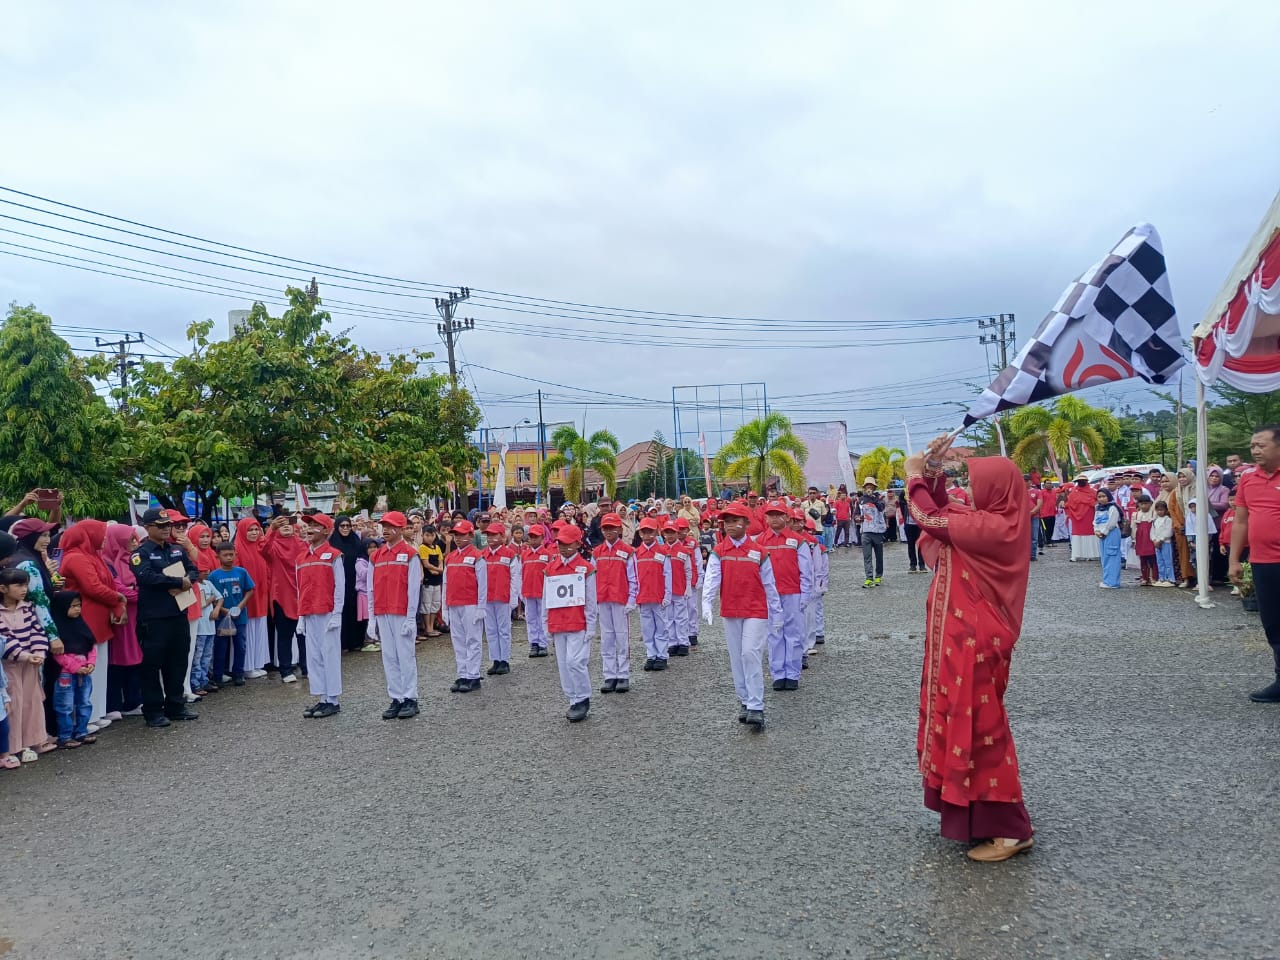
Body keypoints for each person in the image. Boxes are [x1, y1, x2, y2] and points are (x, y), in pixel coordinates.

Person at [904, 439, 1034, 862]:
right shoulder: (992, 517)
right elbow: (944, 509)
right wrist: (934, 470)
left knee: (983, 728)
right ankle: (974, 815)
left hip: (977, 643)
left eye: (978, 485)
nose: (971, 492)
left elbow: (929, 516)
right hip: (961, 641)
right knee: (962, 721)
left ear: (998, 490)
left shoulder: (997, 527)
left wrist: (912, 477)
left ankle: (1010, 828)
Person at [700, 501, 782, 731]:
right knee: (736, 657)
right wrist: (706, 603)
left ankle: (757, 705)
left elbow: (770, 585)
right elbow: (712, 579)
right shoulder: (719, 551)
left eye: (736, 521)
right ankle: (745, 701)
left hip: (756, 610)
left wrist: (777, 614)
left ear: (746, 523)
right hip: (731, 610)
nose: (731, 526)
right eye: (727, 522)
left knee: (750, 653)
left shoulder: (759, 552)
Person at [132, 508, 199, 729]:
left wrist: (187, 580)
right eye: (160, 526)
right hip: (154, 617)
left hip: (178, 613)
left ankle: (175, 705)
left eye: (167, 525)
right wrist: (177, 583)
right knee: (152, 665)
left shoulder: (176, 549)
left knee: (178, 662)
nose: (166, 529)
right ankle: (153, 710)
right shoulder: (141, 552)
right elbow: (146, 577)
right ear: (148, 527)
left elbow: (193, 571)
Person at [57, 518, 126, 730]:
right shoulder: (76, 557)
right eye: (101, 535)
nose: (104, 539)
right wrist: (118, 599)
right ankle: (86, 717)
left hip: (98, 615)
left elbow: (107, 583)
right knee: (87, 667)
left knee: (99, 665)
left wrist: (116, 604)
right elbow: (93, 587)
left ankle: (97, 711)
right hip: (86, 617)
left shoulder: (92, 555)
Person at [1228, 425, 1280, 702]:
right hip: (1263, 562)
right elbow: (1240, 521)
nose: (1256, 450)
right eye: (1253, 446)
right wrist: (1235, 559)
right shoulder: (1248, 479)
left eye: (1262, 445)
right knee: (1273, 623)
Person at [367, 511, 423, 719]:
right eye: (384, 526)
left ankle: (410, 697)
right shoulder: (376, 556)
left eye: (391, 527)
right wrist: (372, 618)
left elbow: (413, 590)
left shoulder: (410, 554)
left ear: (400, 529)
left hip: (401, 611)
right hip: (383, 611)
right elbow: (371, 588)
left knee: (405, 655)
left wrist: (410, 617)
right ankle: (396, 697)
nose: (386, 530)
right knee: (389, 656)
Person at [0, 567, 58, 760]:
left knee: (32, 701)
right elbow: (4, 639)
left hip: (31, 663)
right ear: (3, 588)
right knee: (13, 703)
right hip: (10, 665)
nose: (24, 589)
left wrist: (39, 651)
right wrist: (24, 655)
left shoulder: (28, 607)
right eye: (18, 585)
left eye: (25, 584)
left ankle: (34, 740)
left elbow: (37, 631)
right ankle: (13, 746)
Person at [544, 524, 598, 722]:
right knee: (563, 664)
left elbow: (591, 599)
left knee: (575, 661)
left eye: (568, 543)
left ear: (577, 543)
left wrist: (591, 625)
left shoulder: (586, 568)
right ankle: (573, 698)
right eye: (560, 543)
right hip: (558, 622)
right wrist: (545, 624)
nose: (564, 547)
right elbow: (546, 598)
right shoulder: (551, 568)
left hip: (578, 621)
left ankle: (583, 697)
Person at [756, 501, 810, 691]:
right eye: (771, 515)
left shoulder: (798, 541)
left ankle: (793, 673)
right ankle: (778, 673)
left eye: (779, 515)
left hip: (793, 593)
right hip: (770, 596)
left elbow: (806, 570)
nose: (775, 519)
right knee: (774, 634)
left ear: (786, 517)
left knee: (794, 635)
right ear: (766, 518)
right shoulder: (760, 542)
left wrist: (805, 595)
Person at [295, 514, 344, 719]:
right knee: (314, 657)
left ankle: (332, 699)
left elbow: (339, 587)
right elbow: (300, 589)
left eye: (316, 526)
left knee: (329, 656)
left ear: (326, 531)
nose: (310, 529)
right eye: (309, 525)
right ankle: (322, 697)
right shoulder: (301, 558)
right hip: (309, 612)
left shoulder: (334, 555)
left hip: (327, 611)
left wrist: (337, 614)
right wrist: (300, 617)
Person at [593, 513, 637, 693]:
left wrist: (632, 599)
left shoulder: (628, 551)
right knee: (606, 638)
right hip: (602, 599)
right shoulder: (596, 553)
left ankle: (623, 675)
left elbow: (634, 578)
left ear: (620, 529)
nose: (609, 531)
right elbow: (591, 579)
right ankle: (609, 675)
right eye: (605, 528)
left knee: (621, 637)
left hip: (620, 599)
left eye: (612, 528)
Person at [101, 524, 143, 716]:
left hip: (137, 615)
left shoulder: (134, 559)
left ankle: (133, 700)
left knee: (136, 656)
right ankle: (115, 704)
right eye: (130, 539)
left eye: (135, 539)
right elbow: (118, 589)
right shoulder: (108, 562)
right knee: (119, 659)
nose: (135, 543)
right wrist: (141, 592)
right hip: (121, 617)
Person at [50, 590, 99, 749]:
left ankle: (81, 731)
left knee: (84, 702)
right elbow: (58, 654)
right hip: (66, 673)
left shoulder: (81, 624)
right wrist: (75, 667)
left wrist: (91, 662)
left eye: (79, 605)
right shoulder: (57, 628)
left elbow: (91, 645)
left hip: (84, 670)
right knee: (65, 705)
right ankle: (65, 736)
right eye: (72, 606)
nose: (77, 609)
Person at [443, 518, 487, 693]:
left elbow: (483, 584)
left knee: (473, 639)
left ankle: (473, 675)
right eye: (455, 535)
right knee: (458, 641)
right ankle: (463, 674)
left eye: (461, 535)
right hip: (454, 603)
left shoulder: (478, 556)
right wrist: (444, 607)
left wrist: (481, 607)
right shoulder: (451, 557)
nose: (458, 538)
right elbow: (445, 582)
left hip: (471, 603)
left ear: (470, 535)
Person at [263, 516, 306, 683]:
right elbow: (263, 548)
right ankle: (286, 670)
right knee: (285, 636)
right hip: (282, 595)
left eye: (288, 523)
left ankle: (307, 666)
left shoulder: (301, 543)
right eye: (281, 525)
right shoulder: (273, 546)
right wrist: (271, 530)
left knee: (303, 635)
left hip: (301, 594)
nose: (286, 526)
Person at [207, 543, 255, 687]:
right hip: (222, 618)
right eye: (225, 555)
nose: (229, 558)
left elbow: (250, 590)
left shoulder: (242, 572)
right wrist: (224, 610)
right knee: (220, 647)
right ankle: (218, 675)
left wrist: (239, 607)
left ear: (236, 554)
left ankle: (238, 674)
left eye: (231, 554)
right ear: (218, 556)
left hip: (239, 617)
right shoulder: (213, 576)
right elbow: (211, 597)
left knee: (240, 646)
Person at [232, 517, 272, 676]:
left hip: (261, 594)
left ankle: (257, 663)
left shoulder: (260, 547)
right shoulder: (237, 549)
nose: (254, 533)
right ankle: (247, 666)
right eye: (250, 530)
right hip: (246, 596)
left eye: (256, 529)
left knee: (259, 627)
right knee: (247, 629)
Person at [634, 517, 673, 671]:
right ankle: (651, 655)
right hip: (643, 597)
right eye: (644, 532)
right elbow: (634, 576)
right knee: (647, 629)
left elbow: (668, 574)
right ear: (640, 533)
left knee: (661, 627)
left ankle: (662, 655)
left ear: (656, 532)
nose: (647, 535)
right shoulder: (636, 553)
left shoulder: (663, 552)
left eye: (650, 531)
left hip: (658, 596)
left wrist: (667, 595)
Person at [481, 522, 519, 677]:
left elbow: (515, 577)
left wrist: (513, 597)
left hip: (503, 596)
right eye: (488, 535)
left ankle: (504, 660)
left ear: (502, 536)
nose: (490, 538)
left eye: (494, 535)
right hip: (487, 598)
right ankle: (495, 659)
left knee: (504, 629)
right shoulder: (482, 554)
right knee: (490, 629)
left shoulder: (509, 554)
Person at [329, 516, 366, 653]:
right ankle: (342, 642)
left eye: (348, 526)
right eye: (342, 526)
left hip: (355, 582)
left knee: (355, 610)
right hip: (339, 581)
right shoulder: (332, 543)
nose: (345, 528)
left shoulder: (356, 541)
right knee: (342, 610)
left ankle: (356, 641)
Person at [660, 521, 693, 657]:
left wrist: (688, 586)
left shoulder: (684, 550)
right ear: (664, 534)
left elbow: (688, 570)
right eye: (667, 533)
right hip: (666, 591)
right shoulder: (661, 550)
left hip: (679, 588)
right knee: (668, 617)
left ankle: (683, 642)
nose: (670, 535)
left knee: (681, 617)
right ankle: (672, 642)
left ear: (677, 533)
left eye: (672, 532)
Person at [520, 525, 552, 658]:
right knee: (531, 618)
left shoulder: (547, 555)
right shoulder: (524, 554)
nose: (533, 540)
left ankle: (543, 643)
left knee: (543, 618)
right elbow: (521, 572)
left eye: (536, 537)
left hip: (542, 591)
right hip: (528, 590)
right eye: (531, 537)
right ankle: (533, 643)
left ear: (542, 538)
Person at [189, 568, 221, 696]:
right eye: (202, 571)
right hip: (200, 627)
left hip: (210, 626)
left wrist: (217, 608)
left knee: (207, 656)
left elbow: (219, 597)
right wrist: (210, 599)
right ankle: (195, 683)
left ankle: (204, 680)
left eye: (207, 570)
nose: (206, 573)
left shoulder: (208, 583)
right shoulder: (193, 585)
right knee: (197, 656)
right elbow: (199, 604)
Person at [856, 480, 887, 588]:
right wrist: (858, 518)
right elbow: (856, 515)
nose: (869, 488)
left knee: (879, 556)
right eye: (867, 486)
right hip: (865, 532)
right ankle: (869, 578)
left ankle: (878, 576)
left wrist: (873, 498)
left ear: (874, 487)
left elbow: (881, 508)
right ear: (864, 487)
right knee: (867, 556)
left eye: (871, 486)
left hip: (877, 531)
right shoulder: (860, 500)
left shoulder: (880, 498)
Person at [1065, 476, 1100, 562]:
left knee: (1090, 534)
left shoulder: (1093, 492)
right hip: (1077, 518)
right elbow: (1069, 503)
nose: (1081, 482)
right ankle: (1076, 555)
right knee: (1077, 535)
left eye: (1083, 481)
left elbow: (1097, 502)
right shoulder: (1073, 492)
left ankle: (1091, 554)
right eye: (1079, 481)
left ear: (1086, 481)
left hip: (1089, 516)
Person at [1094, 489, 1123, 588]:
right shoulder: (1098, 508)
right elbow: (1095, 521)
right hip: (1101, 535)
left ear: (1109, 496)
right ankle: (1107, 580)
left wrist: (1104, 532)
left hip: (1111, 533)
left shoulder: (1113, 508)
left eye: (1104, 496)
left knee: (1112, 557)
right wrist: (1096, 531)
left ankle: (1113, 582)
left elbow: (1112, 522)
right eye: (1099, 497)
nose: (1101, 499)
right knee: (1105, 558)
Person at [1132, 494, 1158, 586]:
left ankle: (1154, 577)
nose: (1144, 506)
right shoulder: (1136, 514)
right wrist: (1134, 539)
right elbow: (1134, 527)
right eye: (1141, 504)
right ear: (1138, 504)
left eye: (1146, 504)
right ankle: (1145, 577)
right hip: (1140, 538)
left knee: (1152, 558)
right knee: (1143, 559)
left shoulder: (1153, 513)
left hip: (1150, 537)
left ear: (1150, 504)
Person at [1151, 501, 1175, 586]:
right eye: (1158, 510)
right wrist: (1154, 540)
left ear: (1166, 510)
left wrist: (1161, 540)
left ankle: (1170, 579)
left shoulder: (1168, 520)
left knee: (1167, 561)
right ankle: (1162, 578)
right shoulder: (1155, 520)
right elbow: (1152, 532)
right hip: (1157, 543)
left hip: (1165, 543)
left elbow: (1168, 531)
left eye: (1162, 510)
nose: (1160, 512)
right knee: (1160, 561)